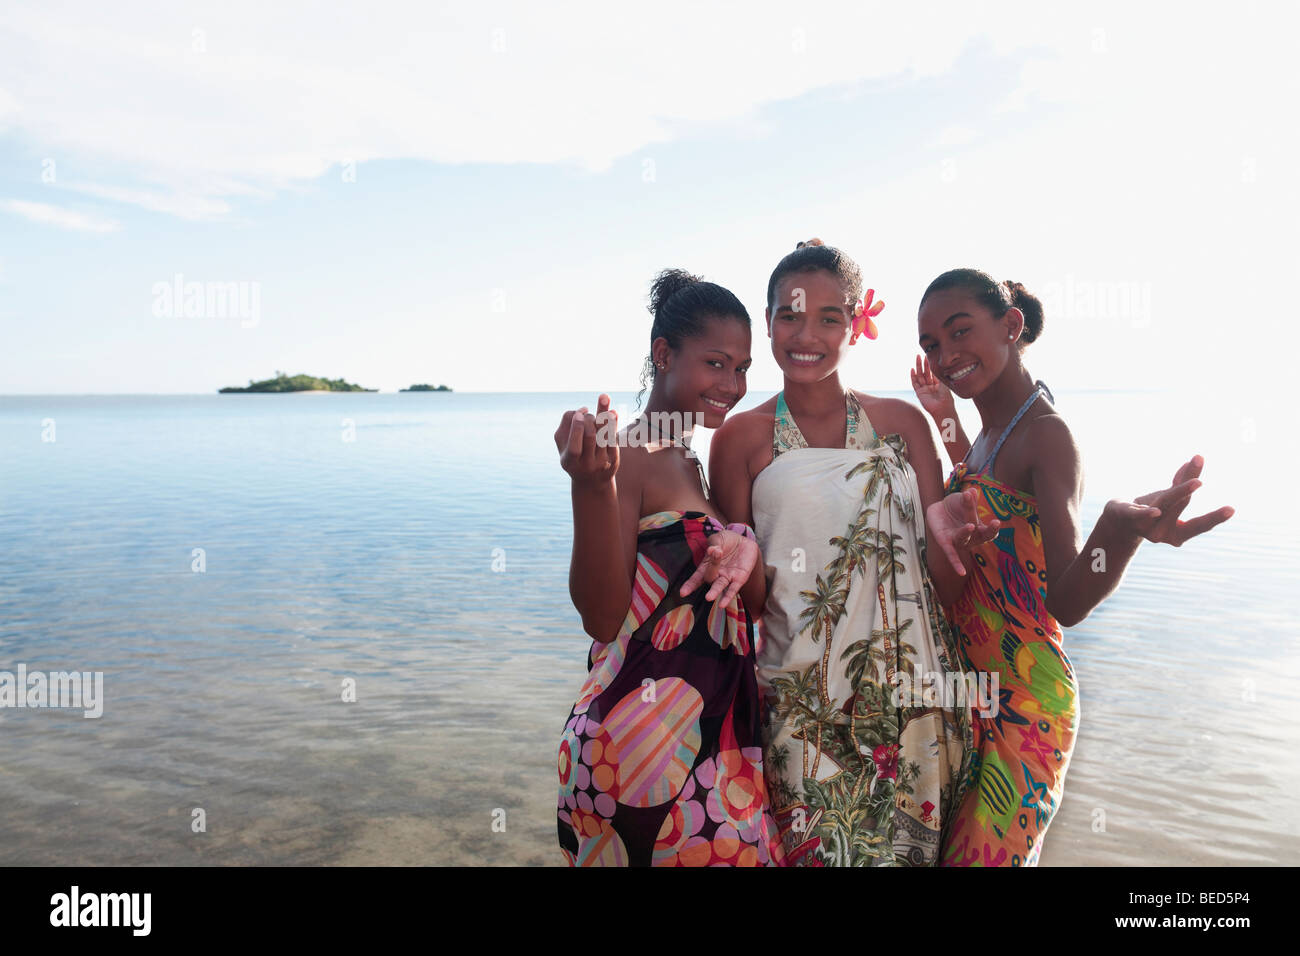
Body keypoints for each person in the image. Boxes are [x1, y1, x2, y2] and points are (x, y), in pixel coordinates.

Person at [913, 268, 1235, 866]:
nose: (945, 355)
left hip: (1026, 703)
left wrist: (1118, 531)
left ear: (1011, 327)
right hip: (972, 695)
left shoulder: (1048, 434)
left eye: (960, 332)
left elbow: (1065, 601)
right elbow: (986, 491)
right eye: (931, 344)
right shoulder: (990, 433)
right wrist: (943, 421)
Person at [708, 240, 993, 866]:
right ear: (769, 321)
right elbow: (754, 603)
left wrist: (957, 542)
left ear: (856, 323)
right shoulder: (740, 439)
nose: (806, 334)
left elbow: (942, 585)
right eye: (790, 314)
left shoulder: (903, 425)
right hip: (802, 705)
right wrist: (739, 559)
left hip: (915, 700)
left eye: (829, 317)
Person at [553, 268, 786, 866]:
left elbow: (750, 606)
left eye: (742, 368)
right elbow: (602, 617)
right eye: (716, 363)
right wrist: (592, 486)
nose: (732, 384)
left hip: (707, 760)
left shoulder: (690, 462)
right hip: (644, 765)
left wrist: (745, 540)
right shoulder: (627, 453)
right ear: (663, 354)